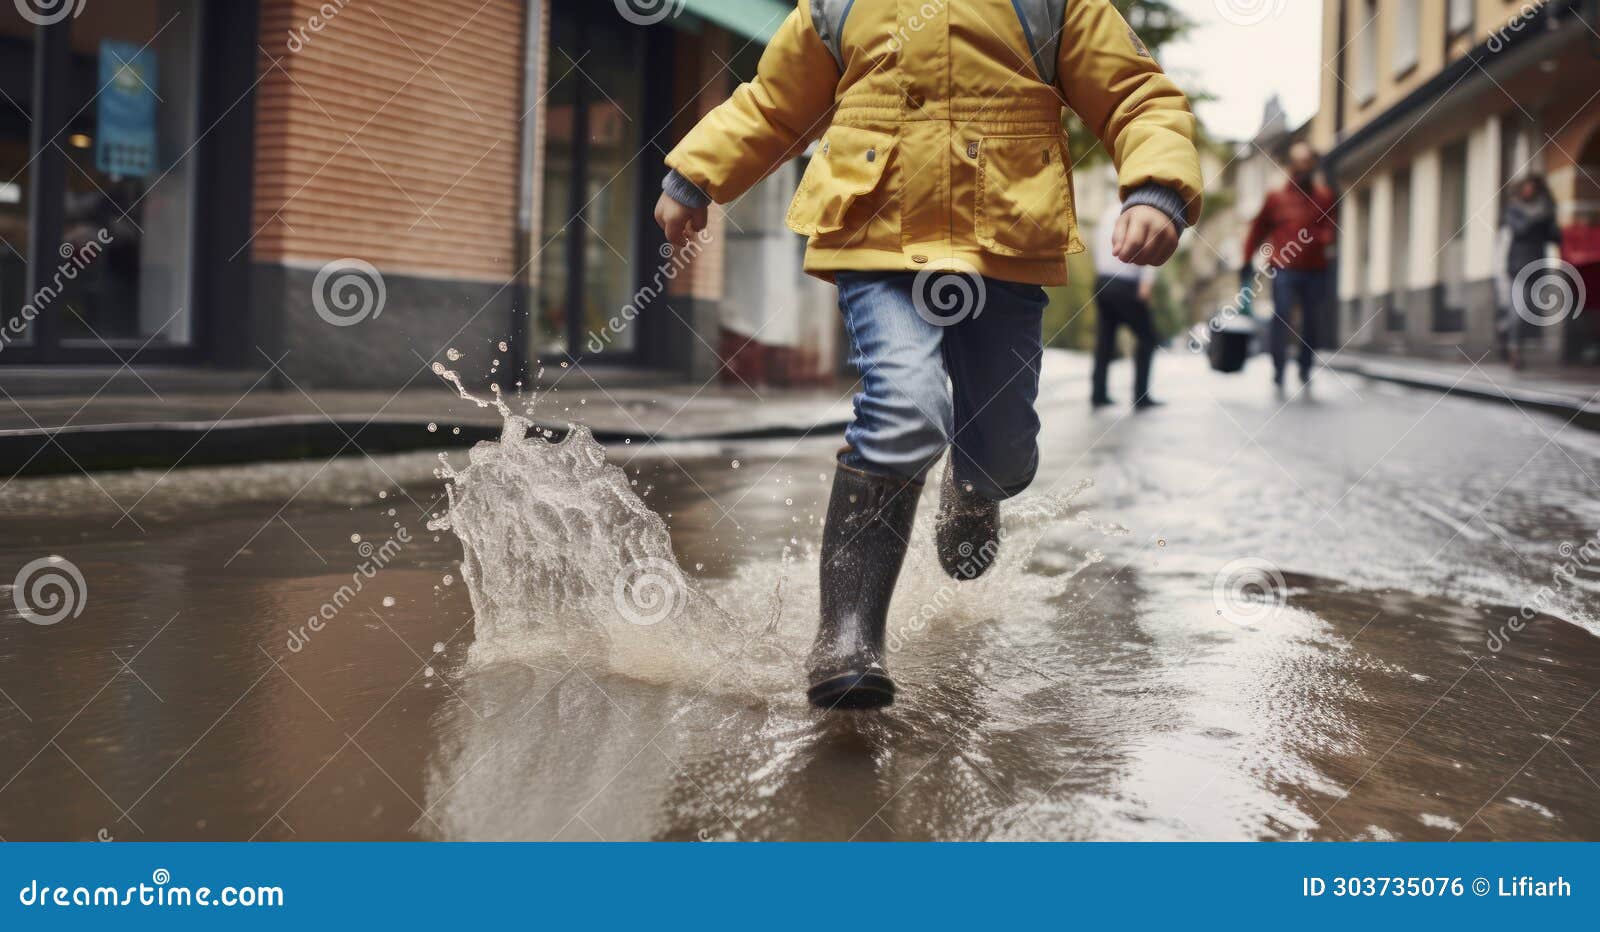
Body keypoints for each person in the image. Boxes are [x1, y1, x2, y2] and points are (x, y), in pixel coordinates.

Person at [654, 0, 1201, 709]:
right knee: (907, 408)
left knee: (1004, 455)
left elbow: (1135, 93)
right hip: (879, 243)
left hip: (1003, 248)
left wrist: (1156, 186)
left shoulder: (1053, 6)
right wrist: (695, 174)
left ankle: (974, 491)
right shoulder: (838, 5)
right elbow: (774, 103)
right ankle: (847, 634)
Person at [1241, 142, 1338, 393]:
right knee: (1281, 315)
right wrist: (1245, 258)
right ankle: (1278, 367)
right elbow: (1258, 228)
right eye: (1297, 162)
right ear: (1291, 166)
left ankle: (1305, 366)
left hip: (1315, 269)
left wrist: (1324, 237)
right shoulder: (1276, 198)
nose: (1302, 167)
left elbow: (1331, 226)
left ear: (1313, 165)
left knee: (1311, 319)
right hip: (1284, 268)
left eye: (1307, 162)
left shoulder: (1325, 196)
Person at [1091, 197, 1164, 410]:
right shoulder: (1138, 211)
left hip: (1103, 281)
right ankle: (1141, 396)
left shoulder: (1107, 213)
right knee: (1148, 338)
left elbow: (1098, 248)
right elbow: (1149, 245)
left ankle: (1098, 393)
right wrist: (1147, 282)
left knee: (1105, 338)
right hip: (1126, 284)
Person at [1500, 175, 1563, 370]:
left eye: (1533, 187)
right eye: (1526, 187)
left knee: (1529, 309)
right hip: (1518, 266)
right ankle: (1514, 350)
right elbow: (1520, 230)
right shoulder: (1514, 209)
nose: (1529, 190)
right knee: (1519, 309)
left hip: (1538, 265)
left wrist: (1551, 220)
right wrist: (1539, 216)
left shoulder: (1545, 210)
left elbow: (1555, 238)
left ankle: (1504, 328)